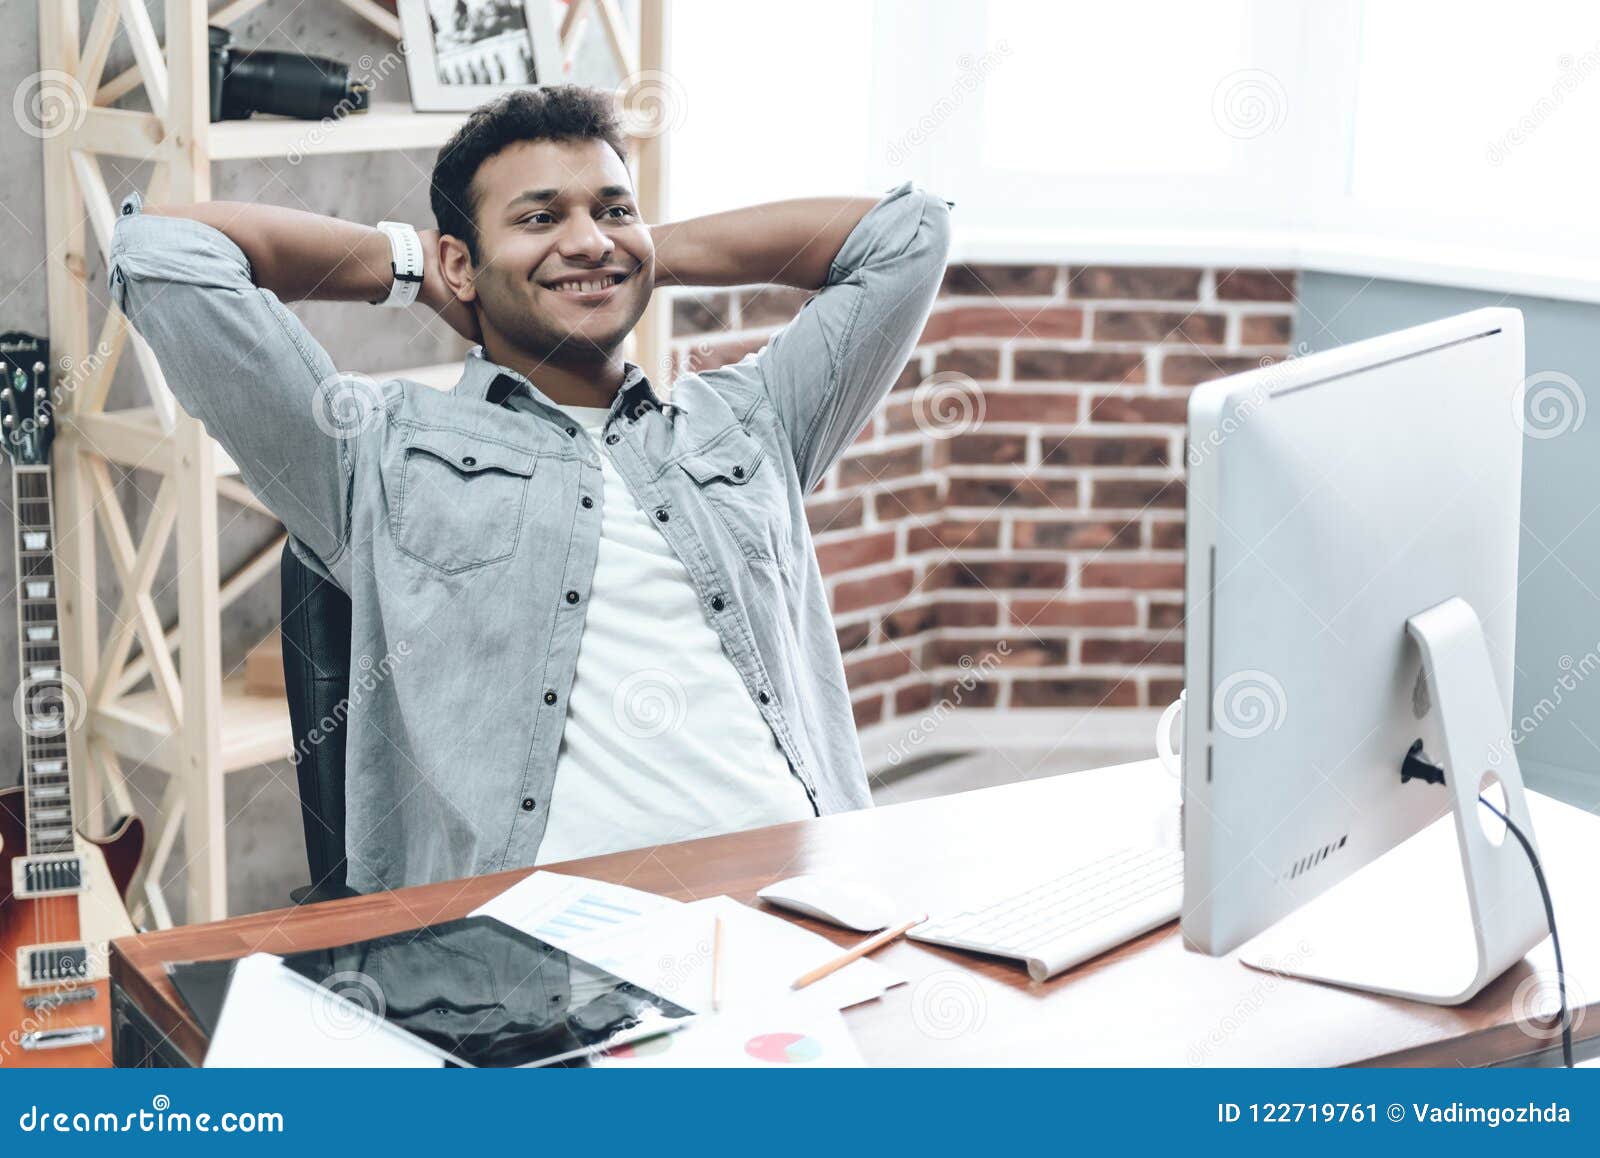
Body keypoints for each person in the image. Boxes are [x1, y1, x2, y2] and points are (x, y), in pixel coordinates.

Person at [108, 84, 951, 893]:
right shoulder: (372, 450)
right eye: (540, 217)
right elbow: (162, 253)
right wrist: (417, 267)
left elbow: (908, 236)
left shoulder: (751, 419)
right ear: (459, 261)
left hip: (806, 898)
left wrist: (633, 254)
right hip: (535, 954)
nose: (586, 238)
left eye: (612, 208)